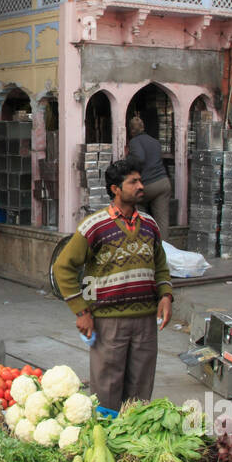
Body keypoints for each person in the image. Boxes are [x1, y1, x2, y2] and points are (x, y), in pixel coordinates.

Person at [52, 157, 173, 413]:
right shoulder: (94, 226)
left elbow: (161, 265)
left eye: (141, 180)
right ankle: (106, 440)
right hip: (108, 322)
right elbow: (62, 267)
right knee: (107, 388)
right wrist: (81, 311)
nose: (141, 186)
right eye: (133, 182)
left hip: (145, 322)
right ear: (115, 189)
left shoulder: (150, 225)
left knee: (141, 390)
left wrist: (165, 295)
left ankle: (133, 443)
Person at [125, 114, 172, 239]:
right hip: (163, 182)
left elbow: (139, 158)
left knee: (137, 209)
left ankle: (143, 241)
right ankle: (164, 250)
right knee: (162, 220)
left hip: (147, 184)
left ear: (130, 130)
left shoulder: (134, 142)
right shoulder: (155, 142)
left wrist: (127, 160)